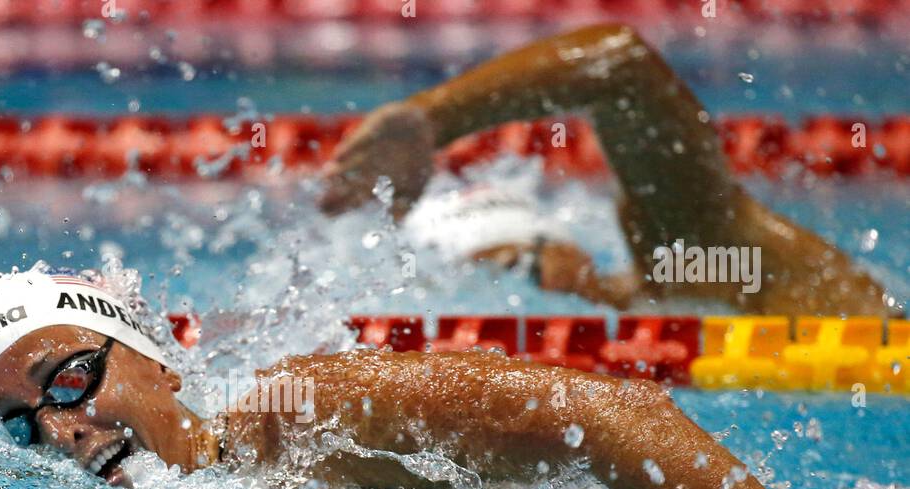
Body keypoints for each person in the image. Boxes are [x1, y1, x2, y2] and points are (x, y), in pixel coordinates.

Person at [0, 268, 845, 489]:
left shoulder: (306, 417)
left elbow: (615, 415)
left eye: (69, 380)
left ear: (158, 362)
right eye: (21, 426)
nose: (61, 433)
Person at [320, 23, 895, 316]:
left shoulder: (690, 261)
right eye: (493, 276)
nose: (533, 284)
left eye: (526, 261)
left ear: (570, 246)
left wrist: (430, 120)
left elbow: (621, 65)